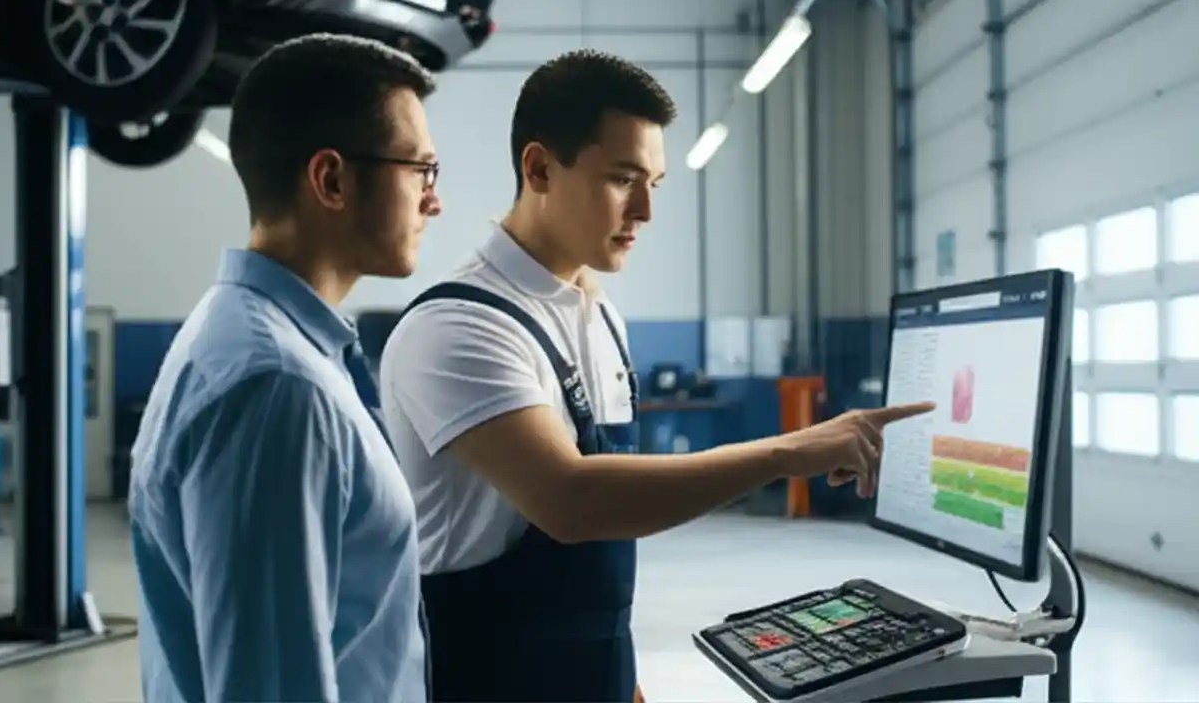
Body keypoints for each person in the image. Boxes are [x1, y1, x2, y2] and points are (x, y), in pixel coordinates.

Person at [378, 49, 934, 703]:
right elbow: (572, 502)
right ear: (539, 168)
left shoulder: (602, 318)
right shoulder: (459, 326)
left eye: (655, 184)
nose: (644, 210)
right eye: (622, 178)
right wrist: (788, 452)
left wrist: (622, 678)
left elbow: (595, 571)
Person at [127, 33, 443, 703]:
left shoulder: (260, 345)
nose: (432, 201)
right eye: (420, 171)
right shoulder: (278, 387)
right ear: (331, 179)